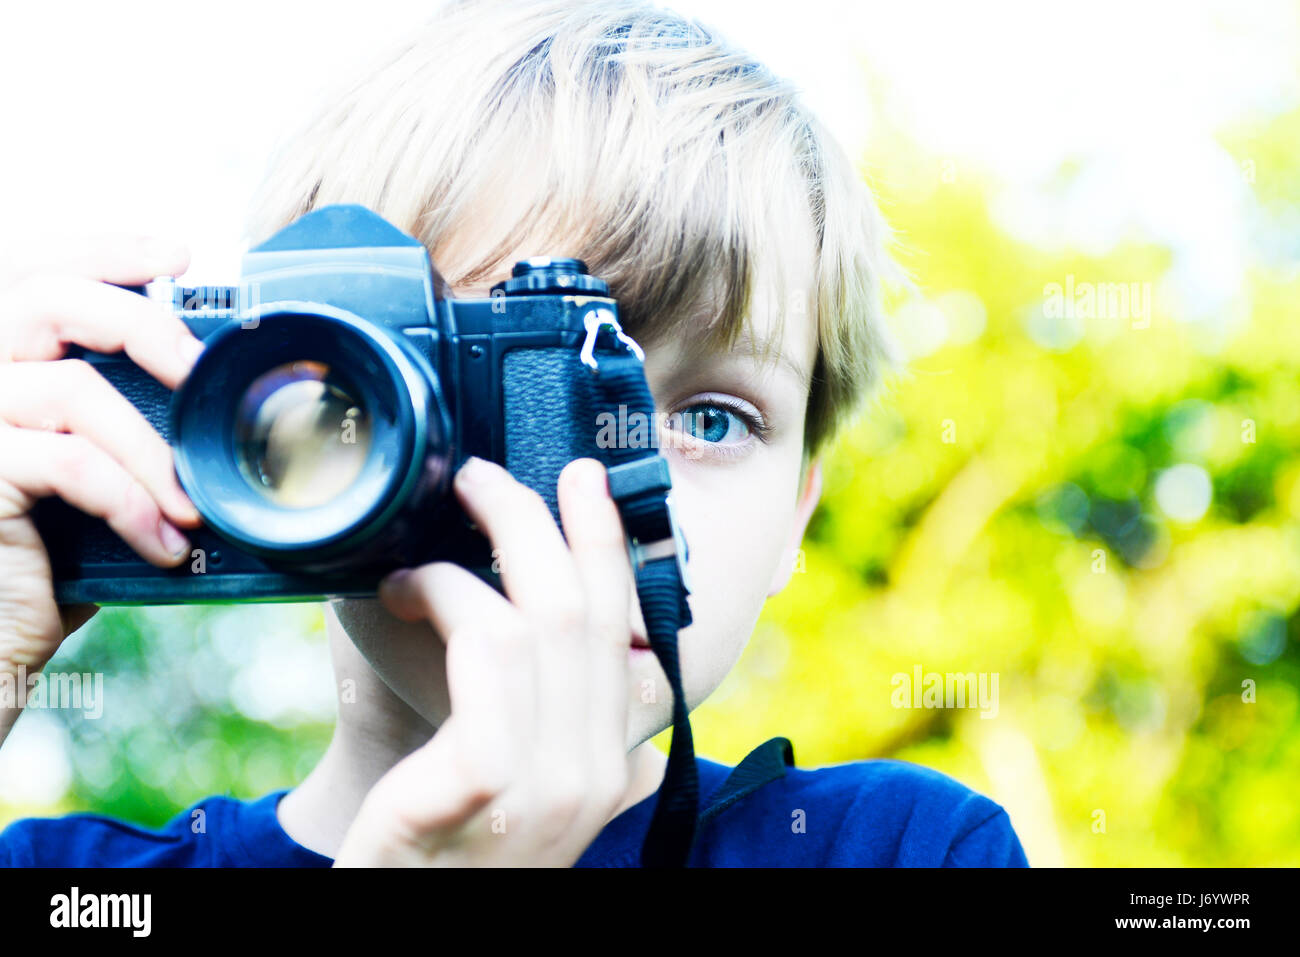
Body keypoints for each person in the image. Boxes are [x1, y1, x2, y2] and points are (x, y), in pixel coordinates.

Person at [0, 0, 1028, 867]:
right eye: (488, 384)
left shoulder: (895, 849)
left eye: (713, 419)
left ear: (797, 512)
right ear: (254, 424)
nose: (606, 487)